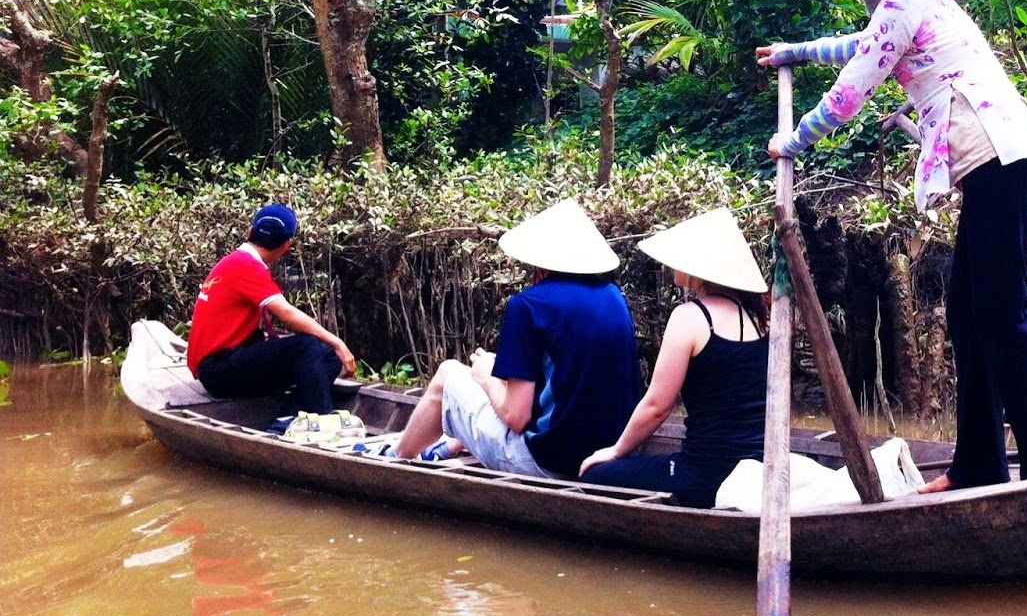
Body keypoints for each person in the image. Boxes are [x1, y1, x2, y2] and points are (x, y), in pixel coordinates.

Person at [756, 0, 1027, 491]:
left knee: (1001, 313)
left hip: (999, 157)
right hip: (1004, 159)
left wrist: (795, 140)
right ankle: (978, 468)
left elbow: (852, 90)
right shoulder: (926, 2)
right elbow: (860, 49)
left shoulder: (905, 3)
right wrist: (793, 52)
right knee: (970, 315)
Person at [390, 199, 641, 475]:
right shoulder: (614, 297)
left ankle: (397, 459)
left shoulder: (528, 305)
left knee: (448, 373)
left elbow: (516, 417)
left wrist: (484, 375)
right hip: (611, 458)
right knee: (500, 382)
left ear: (539, 266)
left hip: (550, 464)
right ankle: (451, 443)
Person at [578, 208, 768, 508]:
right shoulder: (761, 318)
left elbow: (657, 406)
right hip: (759, 470)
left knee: (594, 474)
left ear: (698, 267)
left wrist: (616, 451)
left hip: (705, 474)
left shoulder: (690, 317)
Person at [187, 203, 357, 417]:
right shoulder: (247, 265)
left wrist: (333, 347)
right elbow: (287, 315)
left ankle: (292, 412)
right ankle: (319, 420)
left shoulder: (233, 261)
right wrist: (338, 341)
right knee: (307, 346)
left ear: (250, 231)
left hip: (218, 365)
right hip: (217, 371)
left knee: (328, 356)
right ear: (287, 245)